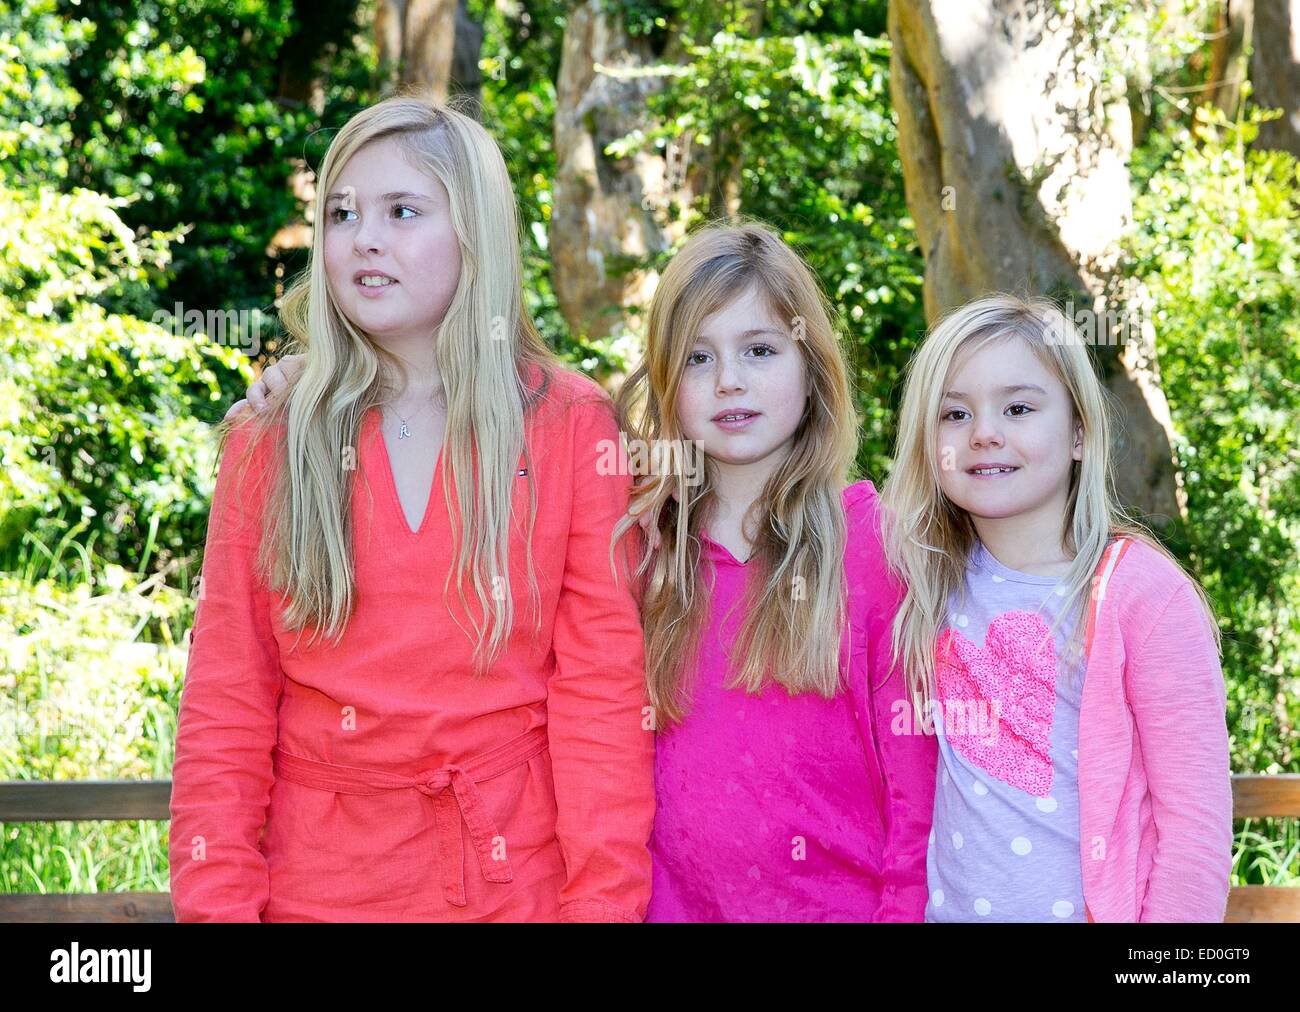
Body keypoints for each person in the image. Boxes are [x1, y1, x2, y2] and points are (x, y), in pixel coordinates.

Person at [169, 95, 654, 922]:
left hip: (517, 885)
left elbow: (602, 700)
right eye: (341, 213)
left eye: (402, 211)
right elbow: (227, 701)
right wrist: (218, 907)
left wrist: (602, 906)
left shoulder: (572, 427)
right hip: (318, 888)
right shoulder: (272, 438)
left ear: (476, 233)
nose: (364, 237)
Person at [880, 293, 1232, 922]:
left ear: (1077, 433)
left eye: (1018, 408)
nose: (985, 432)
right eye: (954, 414)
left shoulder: (1143, 597)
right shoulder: (924, 576)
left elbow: (1196, 832)